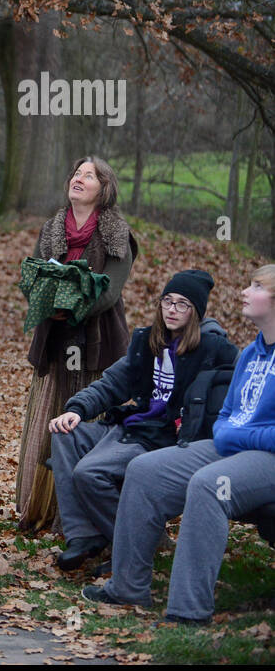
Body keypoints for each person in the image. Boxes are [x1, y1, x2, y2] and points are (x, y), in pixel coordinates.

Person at [84, 265, 275, 624]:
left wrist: (237, 433)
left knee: (208, 486)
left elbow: (241, 429)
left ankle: (188, 611)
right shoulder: (251, 354)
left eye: (256, 286)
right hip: (233, 446)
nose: (244, 293)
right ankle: (127, 587)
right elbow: (229, 414)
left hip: (267, 457)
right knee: (142, 469)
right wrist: (231, 432)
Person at [47, 270, 236, 571]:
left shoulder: (213, 351)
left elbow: (225, 404)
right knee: (64, 433)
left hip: (162, 439)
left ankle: (130, 547)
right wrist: (77, 409)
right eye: (168, 301)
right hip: (133, 425)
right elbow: (112, 383)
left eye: (183, 304)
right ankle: (84, 535)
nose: (172, 309)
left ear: (196, 311)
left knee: (89, 472)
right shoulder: (149, 342)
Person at [16, 157, 137, 533]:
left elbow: (108, 291)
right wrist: (42, 302)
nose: (79, 179)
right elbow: (34, 277)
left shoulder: (117, 233)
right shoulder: (53, 228)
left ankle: (87, 519)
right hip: (55, 343)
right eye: (76, 173)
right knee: (48, 422)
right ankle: (43, 511)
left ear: (105, 189)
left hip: (98, 346)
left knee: (86, 423)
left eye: (90, 175)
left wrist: (63, 307)